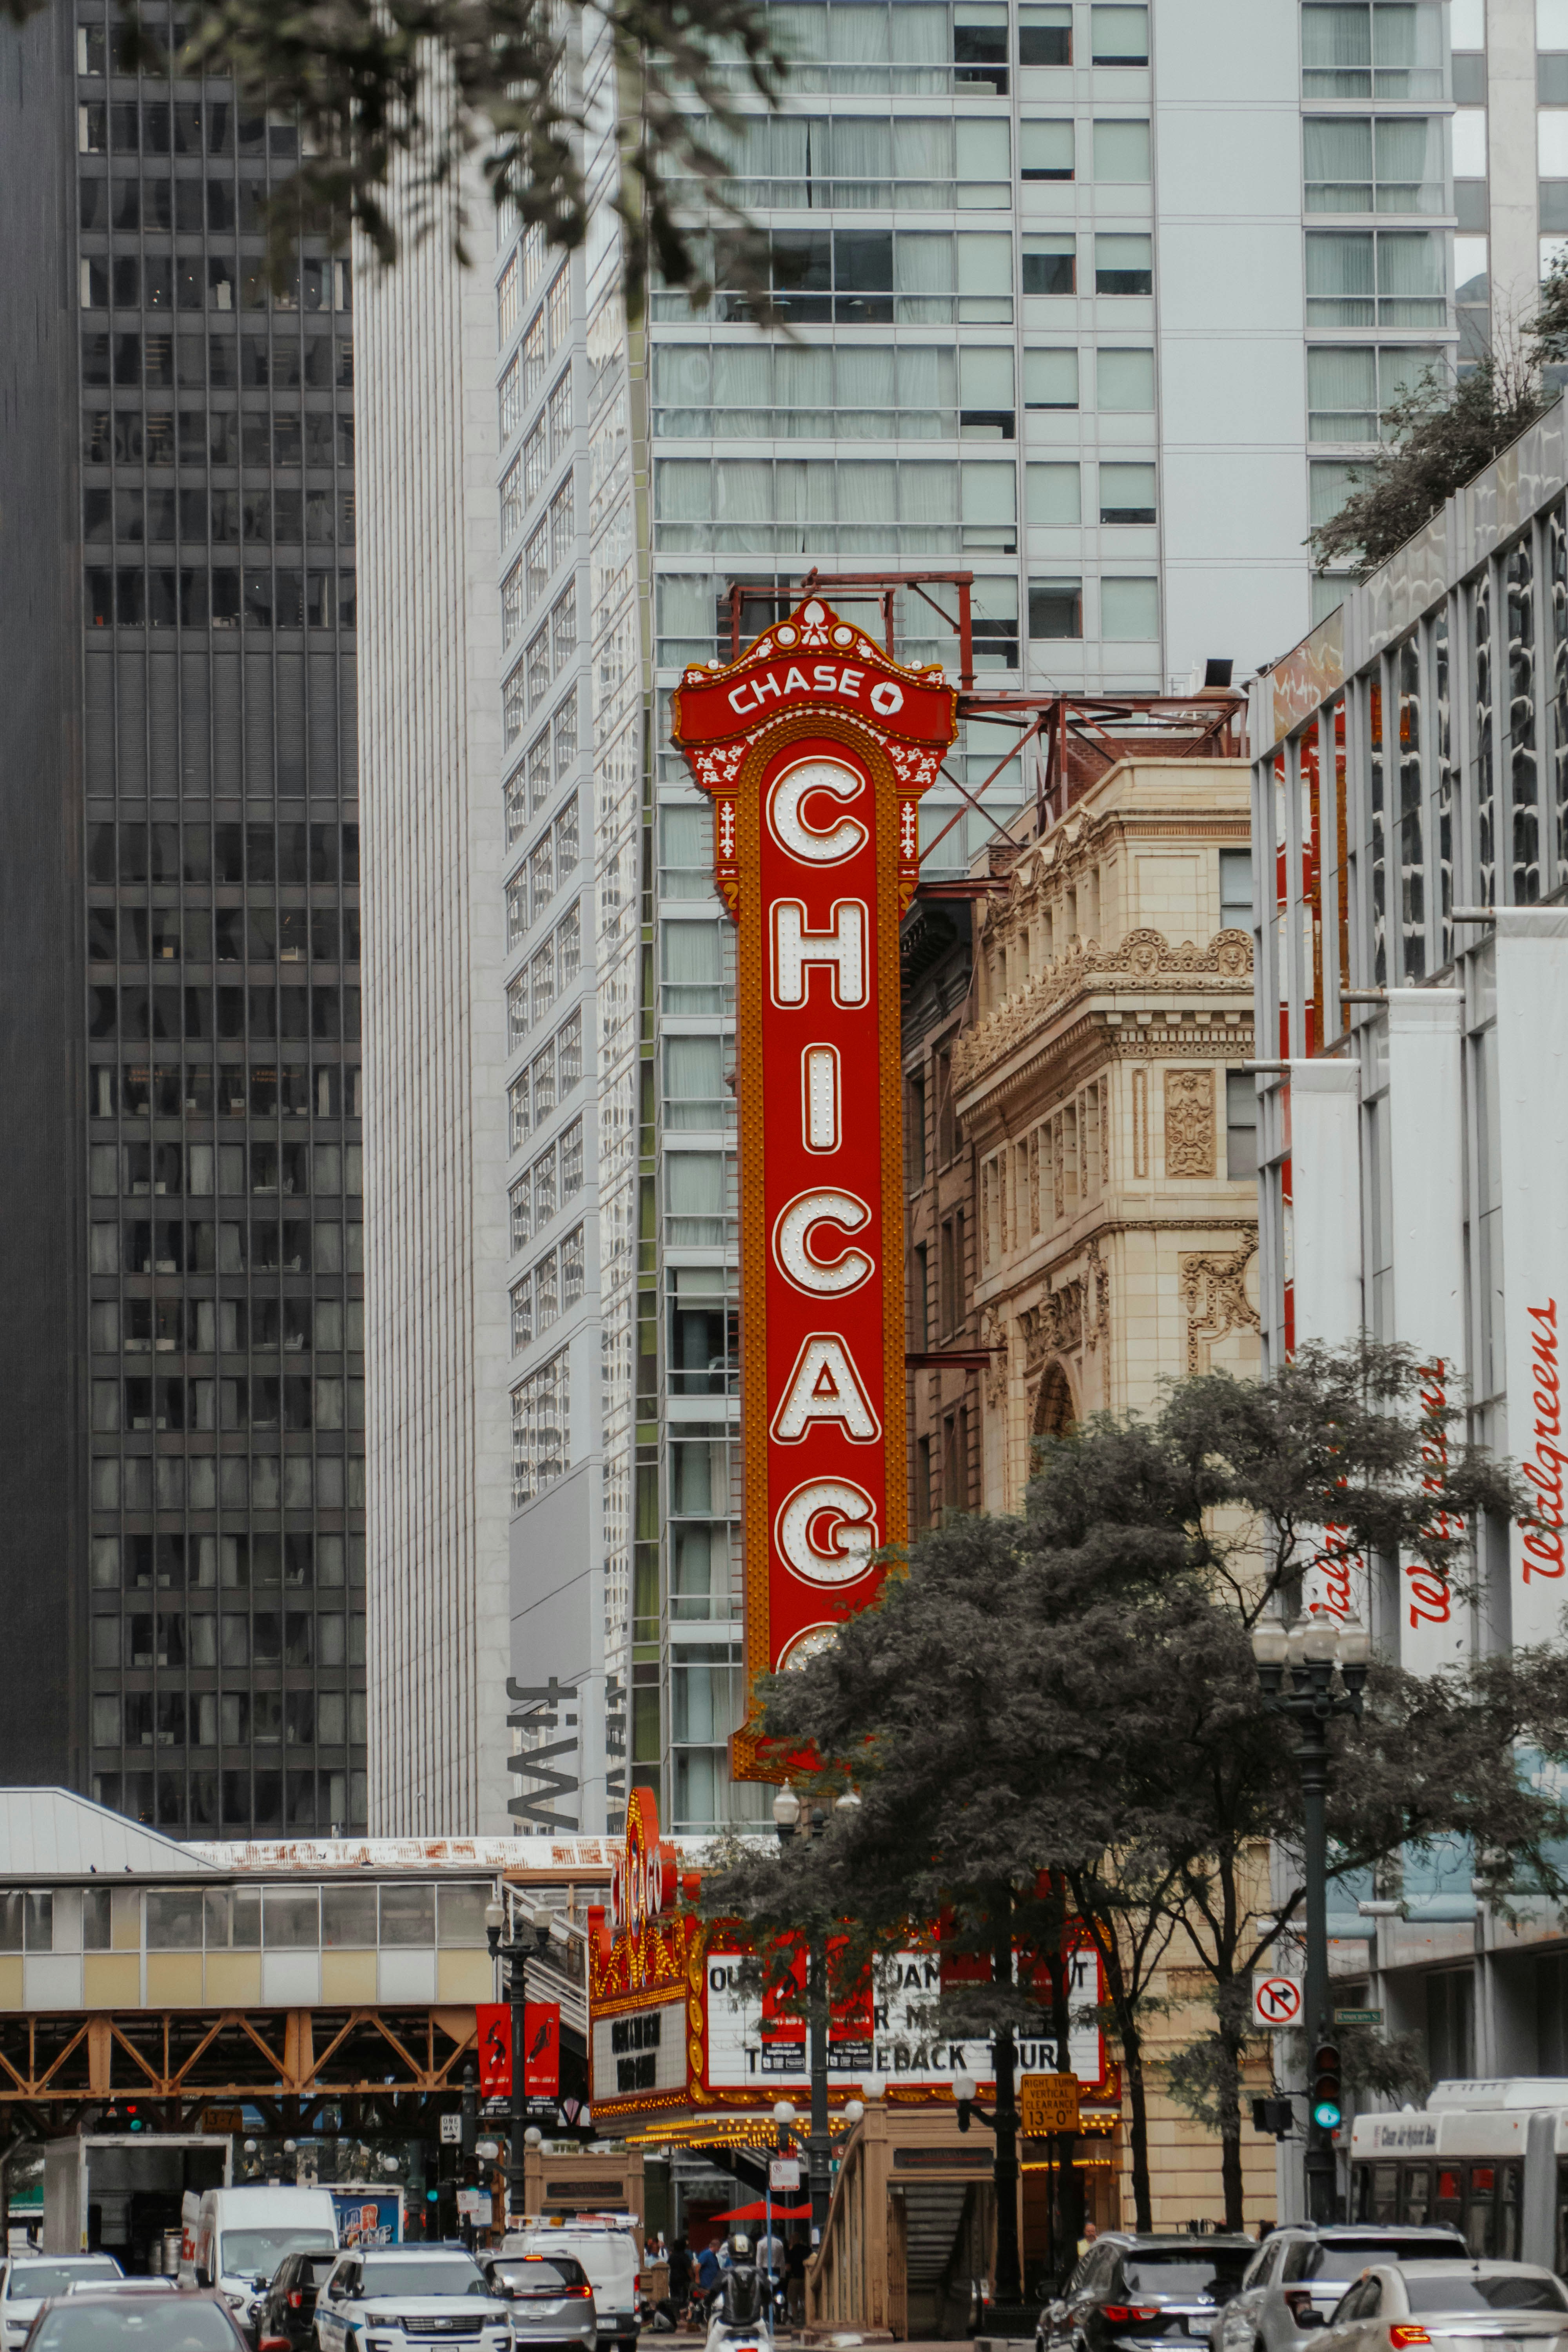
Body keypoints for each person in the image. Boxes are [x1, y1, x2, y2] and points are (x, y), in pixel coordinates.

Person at [784, 2236, 808, 2328]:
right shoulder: (807, 2250)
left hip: (794, 2279)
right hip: (806, 2279)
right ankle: (807, 2319)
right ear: (800, 2241)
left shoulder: (791, 2252)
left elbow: (788, 2268)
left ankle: (796, 2321)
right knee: (806, 2300)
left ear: (792, 2241)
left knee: (794, 2303)